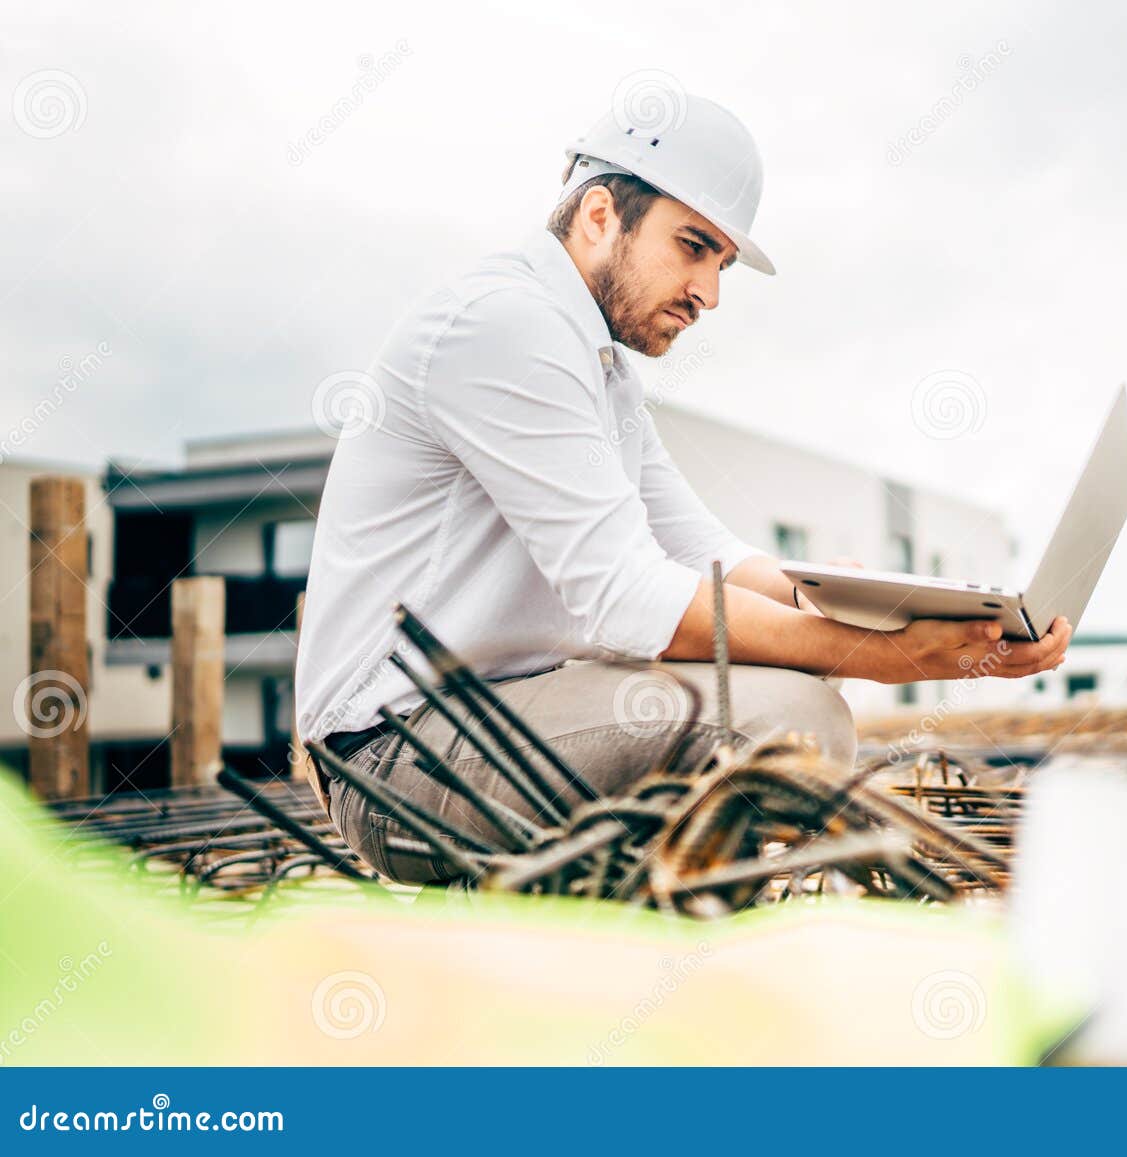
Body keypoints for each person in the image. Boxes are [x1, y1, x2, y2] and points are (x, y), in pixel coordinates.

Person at [294, 90, 1071, 884]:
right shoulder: (504, 324)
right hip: (395, 758)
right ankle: (636, 947)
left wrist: (926, 609)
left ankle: (610, 928)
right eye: (693, 246)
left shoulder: (598, 369)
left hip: (493, 719)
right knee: (788, 720)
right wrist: (882, 656)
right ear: (599, 215)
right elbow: (629, 595)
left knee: (778, 699)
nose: (711, 293)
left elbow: (713, 560)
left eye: (723, 262)